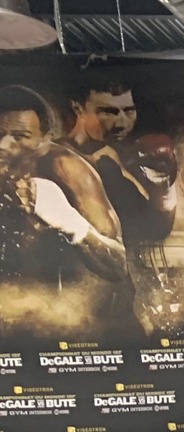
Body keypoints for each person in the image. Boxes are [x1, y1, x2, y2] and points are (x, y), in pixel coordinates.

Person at [0, 84, 128, 289]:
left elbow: (117, 266)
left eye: (19, 136)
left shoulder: (65, 168)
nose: (3, 145)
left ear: (44, 138)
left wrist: (68, 220)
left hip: (55, 308)